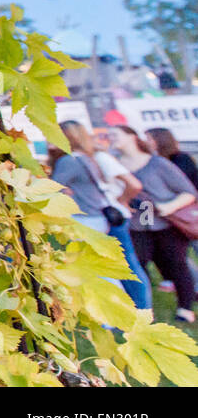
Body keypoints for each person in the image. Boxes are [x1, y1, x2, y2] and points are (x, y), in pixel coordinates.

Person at [60, 120, 150, 309]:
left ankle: (141, 309)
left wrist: (121, 200)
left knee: (126, 266)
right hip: (107, 214)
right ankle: (133, 309)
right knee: (119, 265)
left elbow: (134, 184)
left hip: (111, 215)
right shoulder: (90, 157)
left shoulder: (98, 157)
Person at [114, 125, 196, 323]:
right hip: (138, 224)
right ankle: (143, 309)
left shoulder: (158, 163)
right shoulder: (115, 165)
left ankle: (185, 309)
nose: (110, 138)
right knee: (138, 264)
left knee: (176, 265)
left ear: (131, 137)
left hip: (166, 223)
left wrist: (169, 206)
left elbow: (188, 191)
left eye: (115, 134)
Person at [146, 128, 198, 193]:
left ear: (160, 140)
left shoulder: (182, 158)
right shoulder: (153, 158)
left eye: (149, 139)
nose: (146, 142)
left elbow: (180, 182)